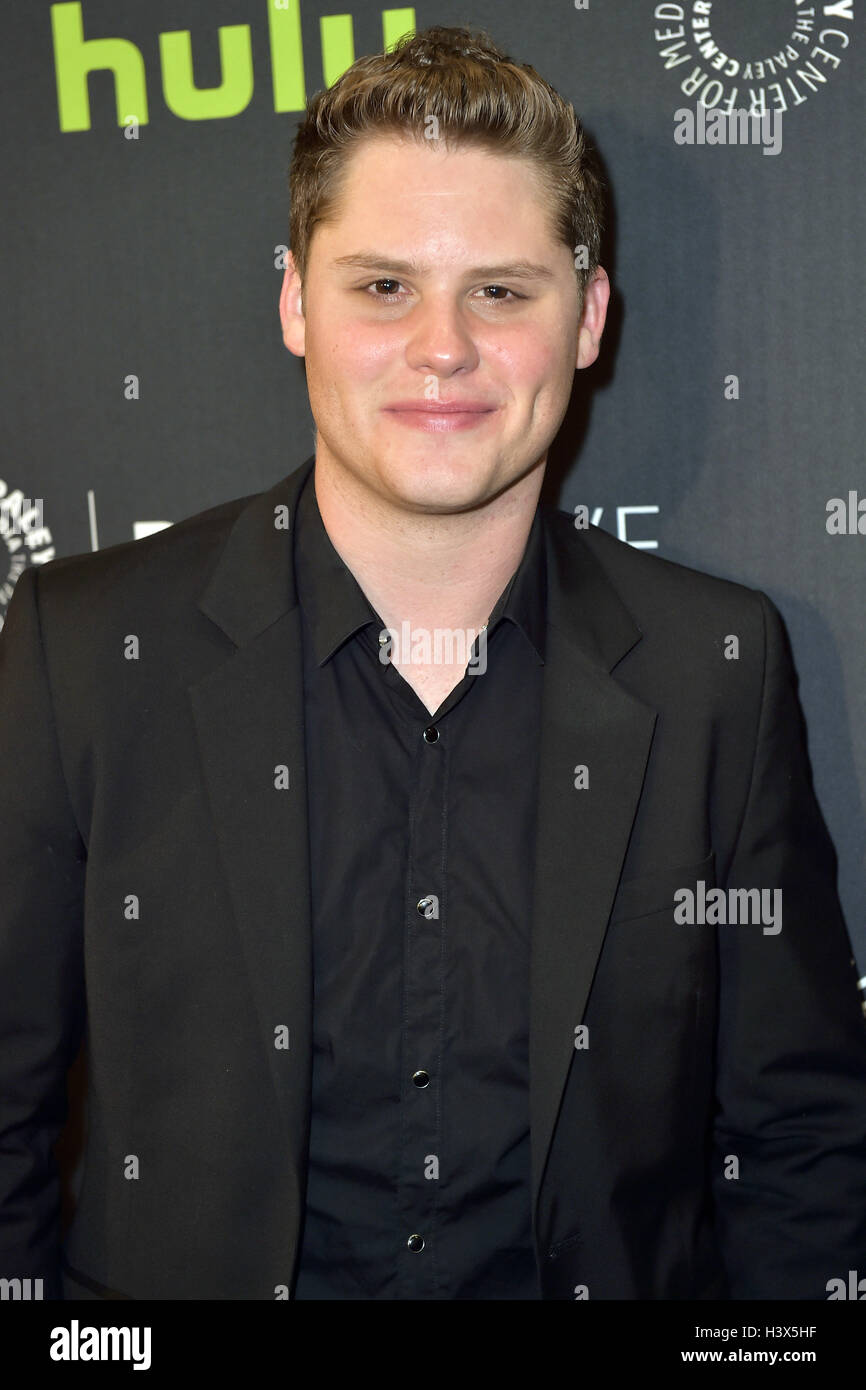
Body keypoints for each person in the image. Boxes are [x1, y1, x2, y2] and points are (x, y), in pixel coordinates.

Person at [1, 24, 864, 1302]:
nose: (443, 347)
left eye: (502, 290)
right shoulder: (86, 648)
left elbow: (798, 1146)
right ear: (296, 302)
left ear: (588, 318)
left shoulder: (711, 671)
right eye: (383, 286)